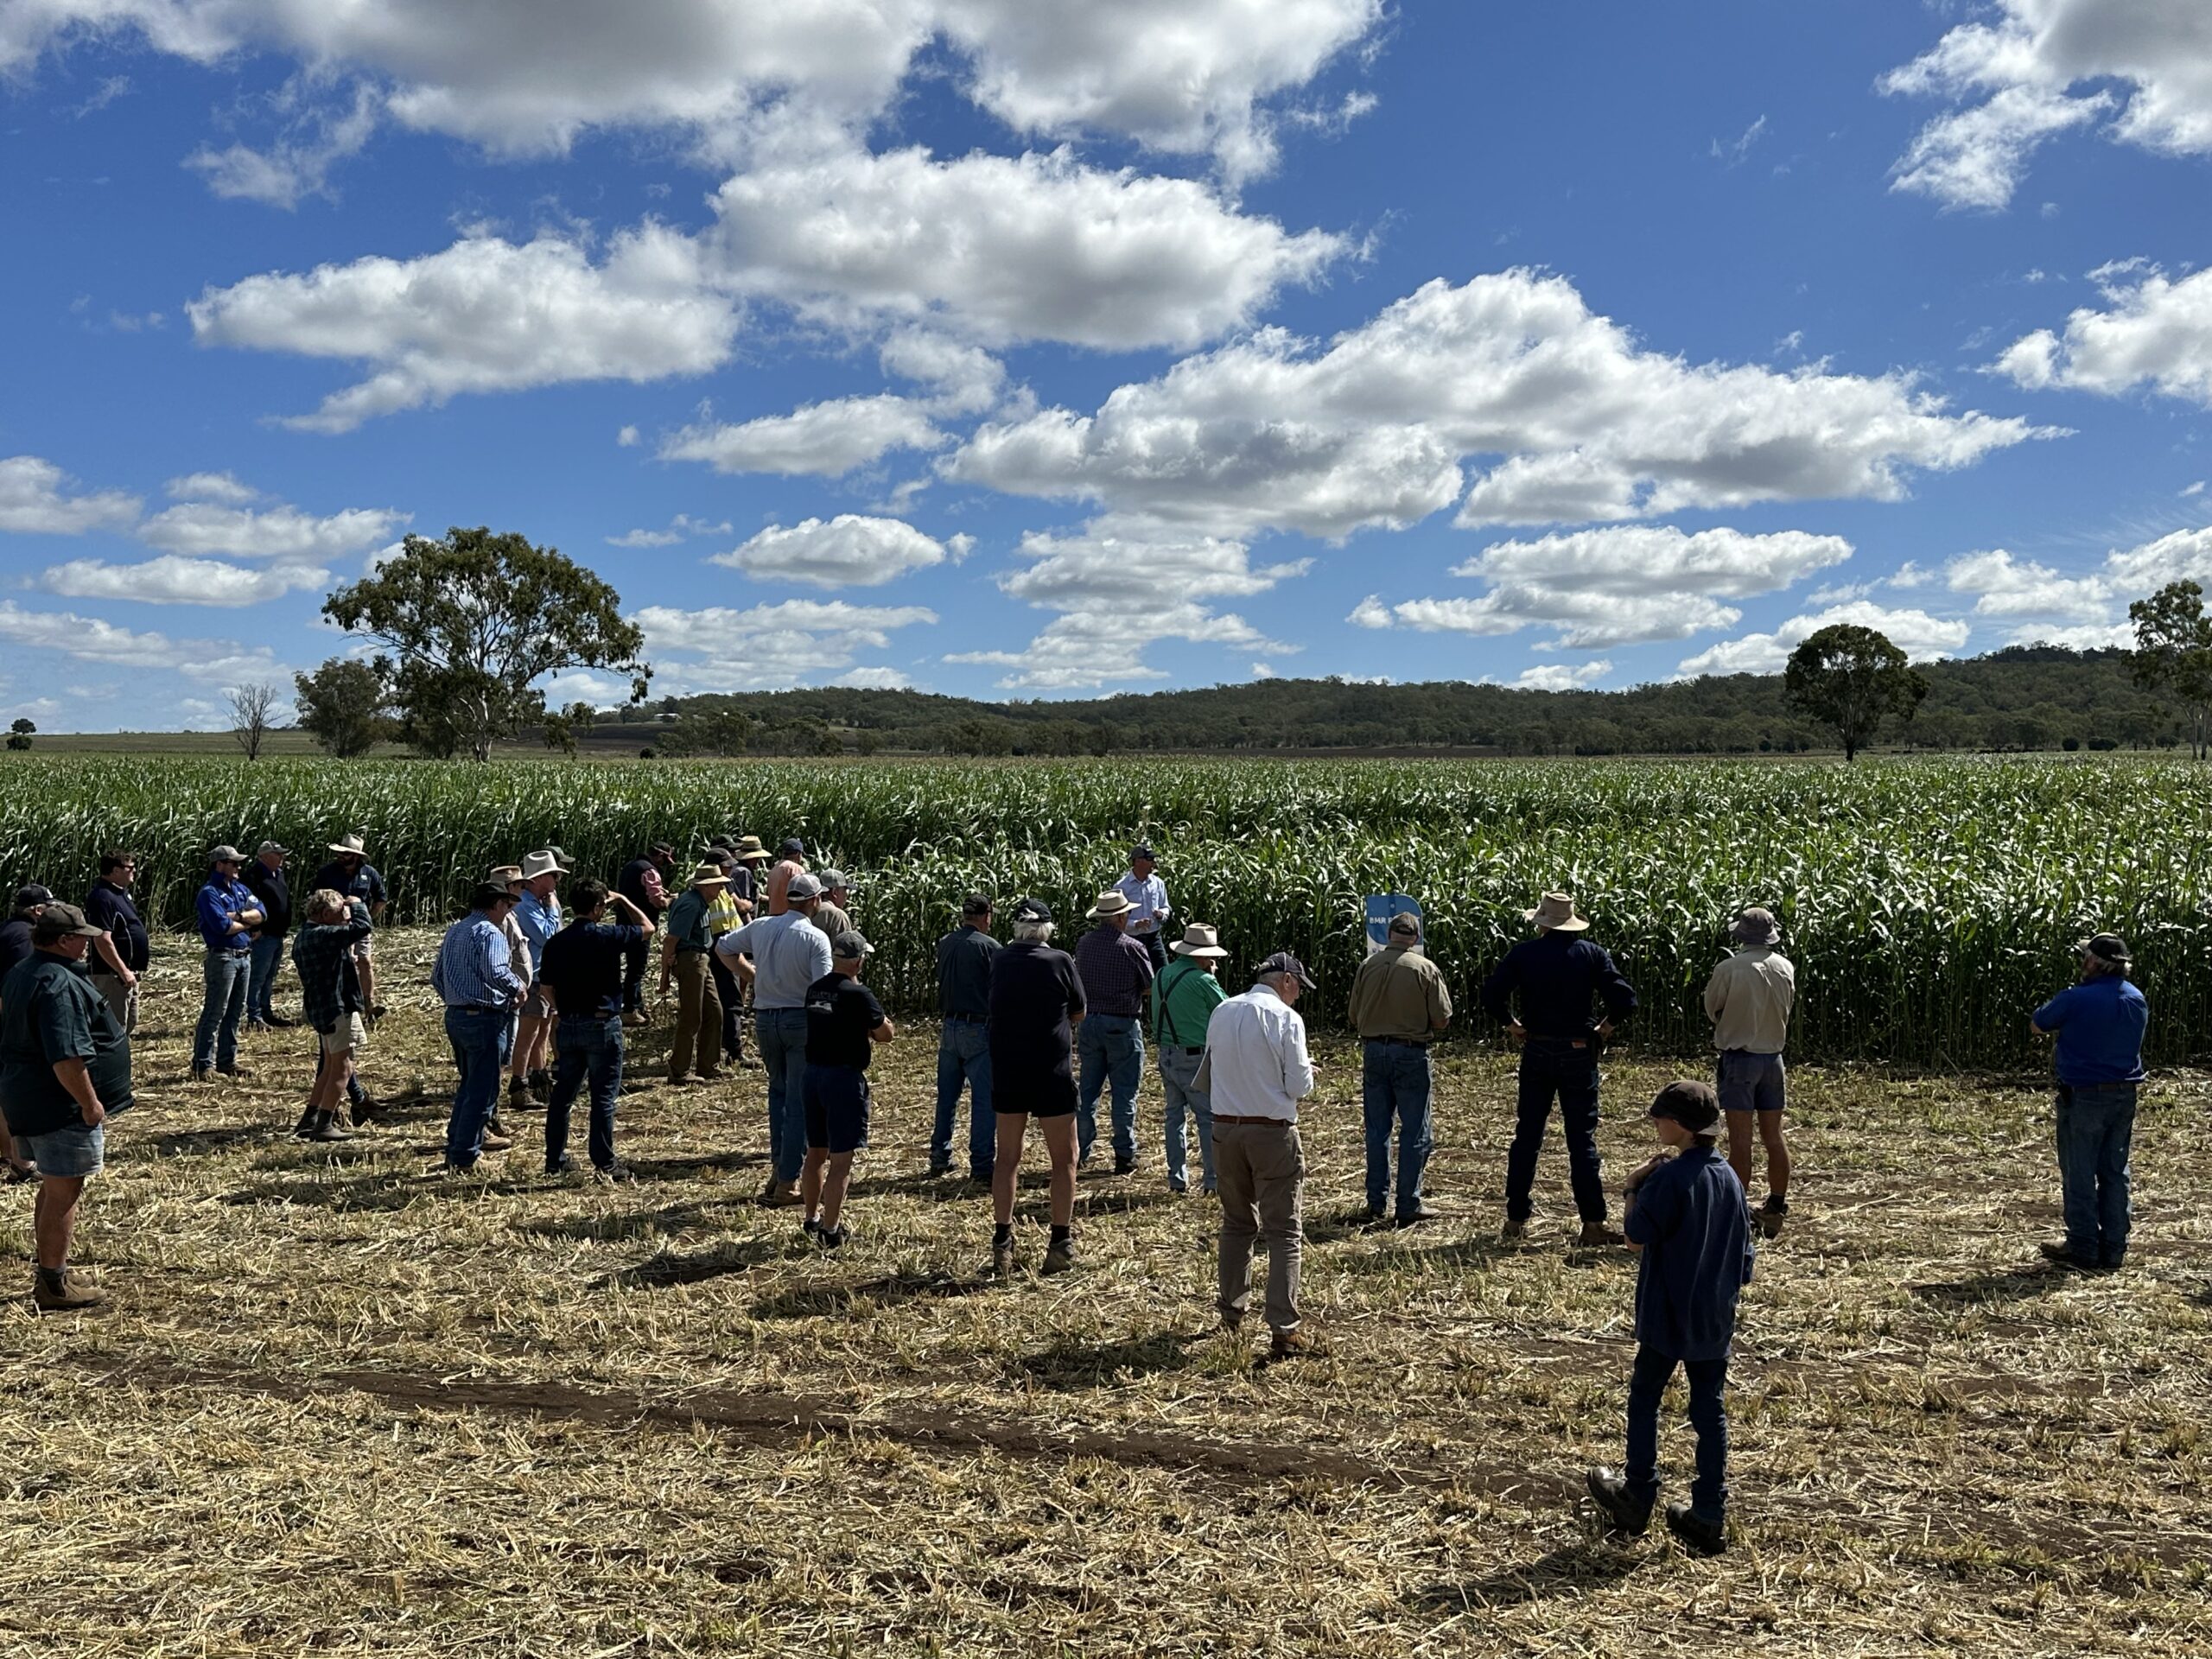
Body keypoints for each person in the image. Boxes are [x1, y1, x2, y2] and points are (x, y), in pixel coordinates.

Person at [1586, 1080, 1755, 1558]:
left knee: (1644, 1399)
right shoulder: (1731, 1181)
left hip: (1666, 1314)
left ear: (1678, 1125)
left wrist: (1632, 1185)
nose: (1656, 1124)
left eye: (1659, 1118)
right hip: (1713, 1318)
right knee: (1709, 1412)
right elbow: (1745, 1262)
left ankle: (1637, 1494)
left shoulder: (1670, 1178)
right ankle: (1708, 1515)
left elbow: (1635, 1239)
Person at [1483, 891, 1637, 1247]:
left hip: (1537, 1048)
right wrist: (1605, 1028)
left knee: (1528, 1136)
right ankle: (1593, 1223)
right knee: (1581, 1140)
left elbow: (1491, 995)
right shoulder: (1591, 954)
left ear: (1541, 922)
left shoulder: (1524, 953)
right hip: (1578, 1051)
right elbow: (1625, 999)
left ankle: (1516, 1218)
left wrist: (1512, 1025)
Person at [0, 901, 133, 1311]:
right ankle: (54, 1285)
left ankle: (51, 1270)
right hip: (59, 1105)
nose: (87, 945)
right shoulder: (57, 984)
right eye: (82, 938)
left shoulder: (23, 972)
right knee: (64, 1190)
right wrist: (90, 1104)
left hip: (28, 1096)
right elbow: (67, 1058)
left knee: (54, 1185)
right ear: (63, 941)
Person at [1200, 951, 1319, 1359]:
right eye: (1299, 986)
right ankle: (1284, 1330)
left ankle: (1231, 1313)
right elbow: (1298, 1087)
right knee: (1284, 1232)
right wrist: (1308, 1072)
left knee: (1236, 1224)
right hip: (1271, 1132)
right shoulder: (1287, 1020)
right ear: (1286, 980)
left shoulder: (1222, 1009)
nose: (1299, 995)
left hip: (1224, 1130)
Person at [2030, 932, 2147, 1273]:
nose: (2083, 961)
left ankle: (2082, 1245)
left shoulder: (2076, 998)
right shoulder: (2136, 998)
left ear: (2095, 963)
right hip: (2124, 1094)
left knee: (2079, 1170)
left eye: (2086, 957)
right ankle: (2113, 1248)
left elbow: (2038, 1024)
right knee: (2115, 1170)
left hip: (2083, 1095)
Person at [717, 872, 832, 1205]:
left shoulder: (763, 926)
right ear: (813, 901)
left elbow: (723, 948)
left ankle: (779, 1167)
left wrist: (752, 977)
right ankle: (788, 1181)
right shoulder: (815, 938)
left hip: (766, 1018)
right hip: (799, 1019)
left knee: (778, 1094)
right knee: (798, 1101)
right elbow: (822, 989)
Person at [986, 899, 1086, 1276]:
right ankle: (1059, 1243)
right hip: (1051, 1071)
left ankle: (1002, 1244)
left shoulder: (999, 960)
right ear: (1046, 930)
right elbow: (1079, 1011)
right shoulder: (1060, 961)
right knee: (1065, 1159)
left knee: (1007, 1157)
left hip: (1008, 1070)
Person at [536, 878, 655, 1181]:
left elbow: (546, 988)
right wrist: (625, 901)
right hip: (602, 1022)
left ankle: (555, 1159)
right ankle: (604, 1162)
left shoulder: (556, 942)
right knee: (603, 1096)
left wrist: (560, 1009)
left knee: (563, 1095)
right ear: (599, 907)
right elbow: (648, 928)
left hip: (569, 1022)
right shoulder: (606, 936)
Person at [1348, 911, 1453, 1225]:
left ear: (1389, 935)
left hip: (1373, 1052)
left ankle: (1375, 1203)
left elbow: (1354, 1016)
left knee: (1378, 1130)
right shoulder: (1425, 968)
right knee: (1415, 1131)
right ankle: (1408, 1204)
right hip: (1410, 1053)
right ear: (1415, 937)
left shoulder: (1368, 966)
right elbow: (1442, 1019)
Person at [1704, 906, 1796, 1239]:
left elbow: (1713, 1007)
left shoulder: (1729, 968)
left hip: (1740, 1059)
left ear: (1740, 935)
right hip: (1773, 1058)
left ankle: (1735, 1211)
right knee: (1774, 1136)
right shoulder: (1785, 966)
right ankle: (1776, 1206)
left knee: (1740, 1140)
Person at [800, 930, 894, 1249]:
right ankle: (831, 1229)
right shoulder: (858, 994)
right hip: (842, 1079)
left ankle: (811, 1218)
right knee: (841, 1161)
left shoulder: (815, 990)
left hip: (812, 1075)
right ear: (857, 961)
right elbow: (884, 1034)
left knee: (815, 1153)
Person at [431, 882, 526, 1173]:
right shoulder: (489, 932)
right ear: (497, 904)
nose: (508, 913)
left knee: (469, 1085)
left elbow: (436, 976)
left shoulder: (456, 930)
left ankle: (456, 1146)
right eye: (507, 906)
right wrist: (517, 989)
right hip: (484, 1017)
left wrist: (455, 998)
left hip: (456, 1015)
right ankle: (464, 1156)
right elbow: (497, 970)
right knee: (483, 1090)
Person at [1073, 888, 1154, 1174]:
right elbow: (1148, 986)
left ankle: (1079, 1152)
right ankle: (1124, 1154)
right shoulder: (1132, 947)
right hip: (1122, 1023)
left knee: (1088, 1091)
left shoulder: (1084, 944)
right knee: (1124, 1092)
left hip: (1090, 1021)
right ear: (1120, 917)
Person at [289, 889, 373, 1143]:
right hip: (336, 1007)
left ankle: (310, 1119)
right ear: (326, 914)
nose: (345, 918)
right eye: (340, 914)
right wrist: (357, 905)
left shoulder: (305, 935)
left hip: (321, 1007)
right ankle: (324, 1124)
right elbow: (363, 927)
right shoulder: (323, 935)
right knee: (343, 1067)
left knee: (328, 1067)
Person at [1153, 922, 1229, 1197]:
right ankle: (1212, 1181)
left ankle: (1177, 1180)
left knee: (1174, 1118)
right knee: (1207, 1119)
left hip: (1166, 1053)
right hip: (1194, 1057)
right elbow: (1227, 1011)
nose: (1212, 960)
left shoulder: (1161, 974)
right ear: (1200, 954)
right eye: (1210, 955)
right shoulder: (1204, 980)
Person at [931, 894, 999, 1182]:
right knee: (984, 1100)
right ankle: (982, 1164)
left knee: (947, 1097)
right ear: (987, 916)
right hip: (979, 1027)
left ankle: (940, 1155)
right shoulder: (990, 948)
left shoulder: (946, 943)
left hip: (950, 1026)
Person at [191, 846, 264, 1084]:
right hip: (223, 957)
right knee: (215, 1011)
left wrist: (238, 917)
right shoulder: (209, 893)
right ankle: (203, 1064)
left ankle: (227, 1060)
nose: (238, 867)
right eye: (234, 863)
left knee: (235, 1012)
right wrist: (246, 922)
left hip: (244, 956)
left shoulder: (240, 888)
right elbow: (223, 926)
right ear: (220, 865)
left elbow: (262, 913)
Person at [660, 862, 729, 1085]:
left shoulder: (698, 902)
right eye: (718, 885)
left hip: (700, 959)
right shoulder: (691, 905)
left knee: (715, 1011)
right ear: (706, 886)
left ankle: (708, 1066)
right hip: (691, 961)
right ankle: (679, 1071)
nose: (720, 889)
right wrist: (664, 977)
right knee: (692, 1016)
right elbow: (671, 940)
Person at [310, 833, 388, 1022]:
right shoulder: (327, 873)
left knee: (365, 961)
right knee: (345, 963)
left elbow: (381, 898)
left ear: (356, 856)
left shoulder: (369, 873)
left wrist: (368, 917)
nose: (341, 856)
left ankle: (369, 1004)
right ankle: (346, 1004)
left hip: (360, 927)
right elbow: (315, 898)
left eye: (346, 853)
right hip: (336, 927)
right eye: (341, 852)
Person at [508, 850, 564, 1105]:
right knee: (528, 1034)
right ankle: (519, 1085)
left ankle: (539, 1081)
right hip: (533, 979)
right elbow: (547, 937)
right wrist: (553, 909)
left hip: (546, 976)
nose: (556, 881)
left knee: (542, 1031)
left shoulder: (540, 903)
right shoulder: (526, 905)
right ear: (540, 878)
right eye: (554, 876)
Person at [82, 855, 147, 1033]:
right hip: (111, 974)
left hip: (125, 973)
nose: (134, 871)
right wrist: (122, 970)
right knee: (113, 1030)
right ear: (115, 870)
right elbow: (102, 939)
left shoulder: (120, 894)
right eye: (130, 868)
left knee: (128, 1023)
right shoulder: (103, 897)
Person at [704, 848, 755, 1070]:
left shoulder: (722, 890)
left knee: (729, 1002)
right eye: (726, 866)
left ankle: (729, 1050)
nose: (731, 869)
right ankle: (732, 1053)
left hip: (728, 948)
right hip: (719, 951)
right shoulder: (711, 894)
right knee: (730, 1002)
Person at [616, 842, 677, 1024]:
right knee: (636, 970)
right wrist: (671, 899)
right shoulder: (650, 872)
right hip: (641, 928)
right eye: (664, 861)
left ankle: (636, 1005)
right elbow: (658, 902)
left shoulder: (629, 867)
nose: (662, 865)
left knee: (629, 968)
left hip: (623, 925)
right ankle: (629, 1010)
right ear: (659, 857)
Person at [241, 841, 296, 1031]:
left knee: (269, 976)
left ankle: (265, 1011)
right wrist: (255, 928)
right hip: (262, 936)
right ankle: (254, 1015)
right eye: (277, 854)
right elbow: (247, 905)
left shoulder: (278, 874)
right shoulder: (253, 877)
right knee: (257, 976)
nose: (282, 857)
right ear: (264, 856)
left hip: (277, 935)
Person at [1116, 844, 1172, 974]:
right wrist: (1136, 924)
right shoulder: (1121, 887)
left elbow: (1166, 907)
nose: (1154, 863)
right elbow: (1116, 917)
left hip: (1154, 939)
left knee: (1164, 975)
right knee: (1134, 977)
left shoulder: (1158, 883)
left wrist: (1161, 914)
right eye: (1150, 859)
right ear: (1138, 861)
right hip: (1132, 939)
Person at [1, 886, 51, 985]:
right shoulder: (27, 935)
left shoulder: (7, 926)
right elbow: (26, 974)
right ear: (38, 910)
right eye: (49, 908)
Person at [765, 838, 808, 916]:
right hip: (789, 916)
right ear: (797, 854)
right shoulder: (796, 869)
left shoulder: (774, 869)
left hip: (773, 915)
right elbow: (804, 893)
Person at [812, 870, 855, 942]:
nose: (846, 895)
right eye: (844, 890)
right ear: (834, 892)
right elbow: (845, 949)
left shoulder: (808, 909)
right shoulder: (838, 915)